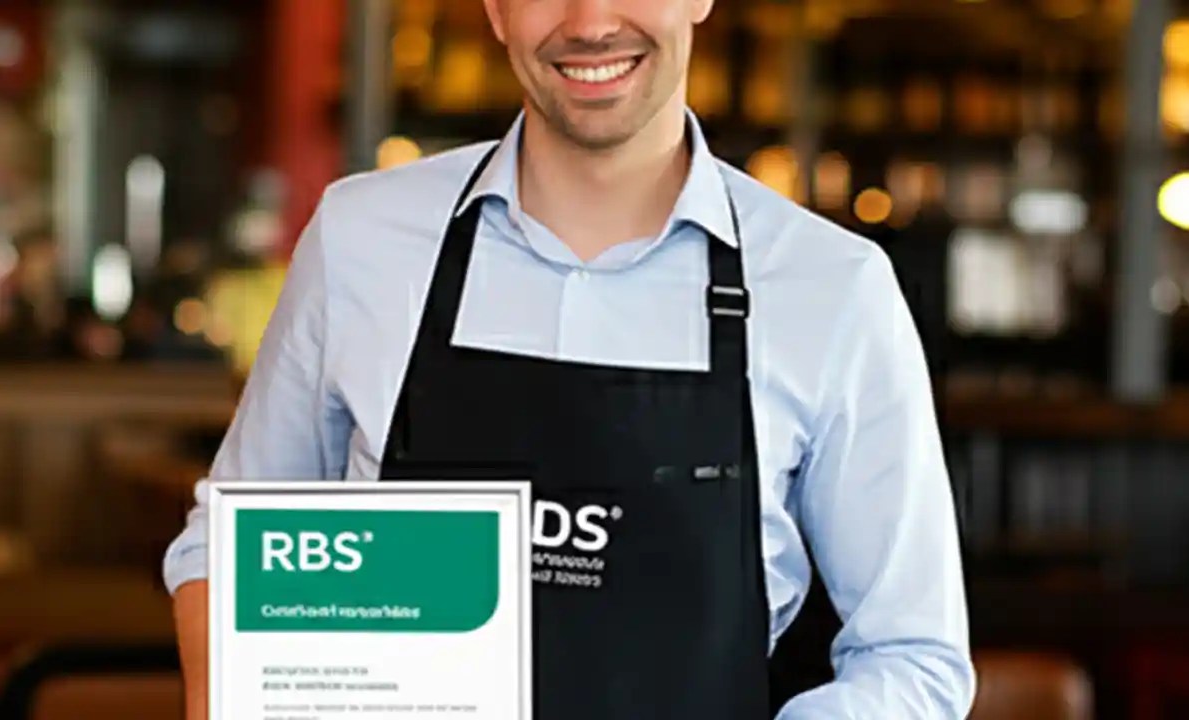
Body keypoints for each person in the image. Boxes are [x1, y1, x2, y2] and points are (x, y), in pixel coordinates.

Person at [164, 1, 975, 718]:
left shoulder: (833, 288)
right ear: (493, 9)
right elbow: (227, 550)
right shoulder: (361, 241)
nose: (589, 22)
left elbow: (914, 657)